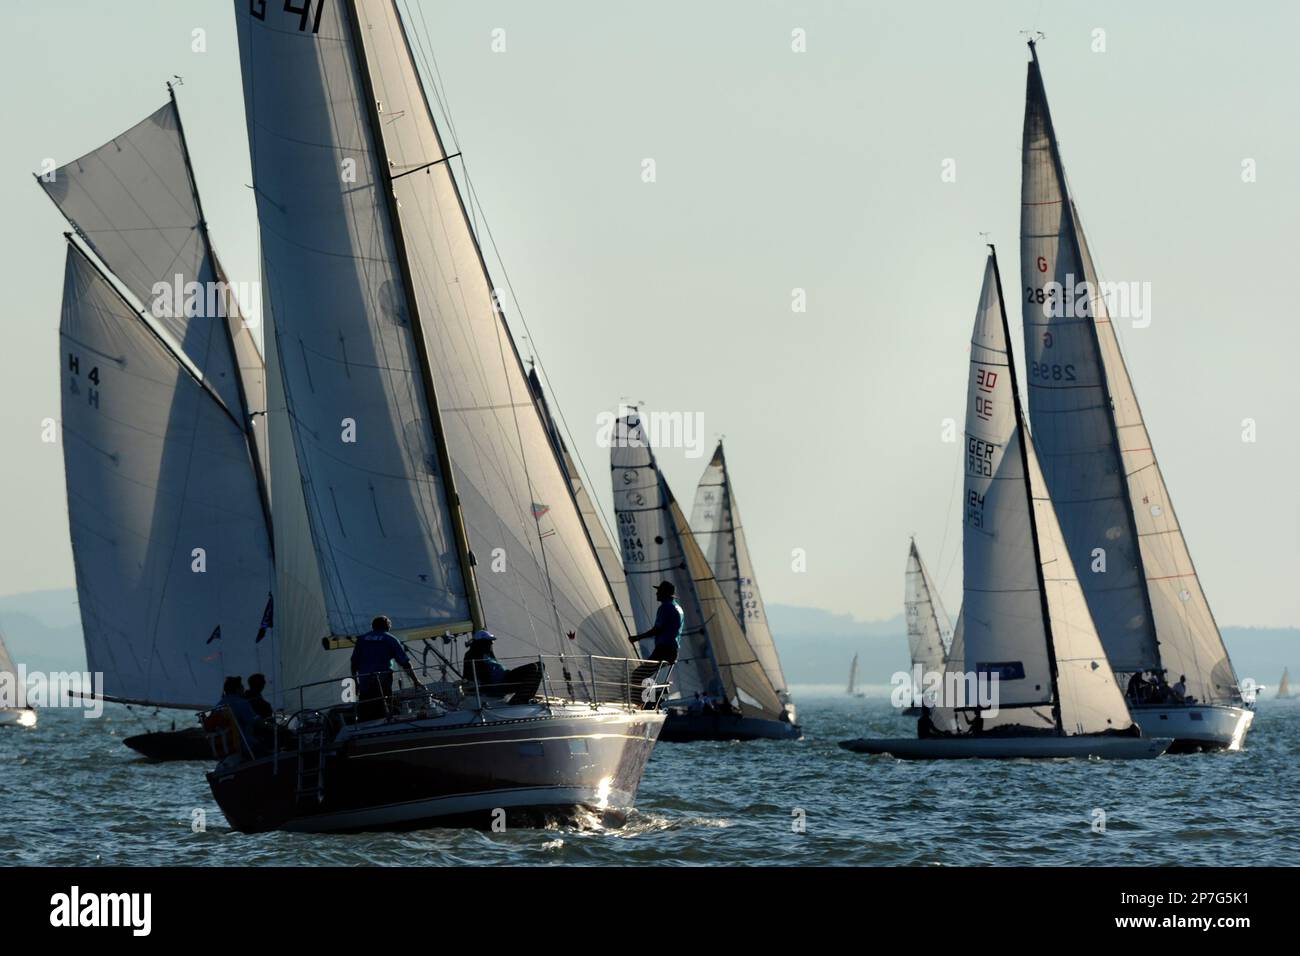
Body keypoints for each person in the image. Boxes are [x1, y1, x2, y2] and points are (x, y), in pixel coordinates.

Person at [350, 615, 422, 722]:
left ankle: (364, 725)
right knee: (383, 707)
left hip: (364, 681)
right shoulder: (390, 639)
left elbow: (354, 662)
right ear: (387, 626)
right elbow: (405, 663)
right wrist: (415, 680)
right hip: (382, 680)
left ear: (373, 627)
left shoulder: (361, 639)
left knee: (366, 709)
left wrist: (355, 681)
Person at [462, 630, 542, 704]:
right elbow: (469, 675)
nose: (491, 643)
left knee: (540, 665)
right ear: (480, 642)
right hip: (502, 683)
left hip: (506, 676)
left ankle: (525, 696)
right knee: (534, 667)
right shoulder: (473, 654)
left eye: (492, 641)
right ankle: (520, 699)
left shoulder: (488, 654)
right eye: (489, 641)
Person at [630, 581, 684, 666]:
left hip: (664, 650)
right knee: (645, 672)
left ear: (664, 593)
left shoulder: (665, 607)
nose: (657, 593)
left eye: (659, 591)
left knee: (639, 673)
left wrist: (637, 637)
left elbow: (657, 629)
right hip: (673, 652)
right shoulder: (678, 608)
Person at [213, 676, 260, 756]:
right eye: (242, 687)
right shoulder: (241, 702)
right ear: (237, 689)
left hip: (225, 745)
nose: (244, 689)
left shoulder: (219, 705)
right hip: (244, 744)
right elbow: (252, 721)